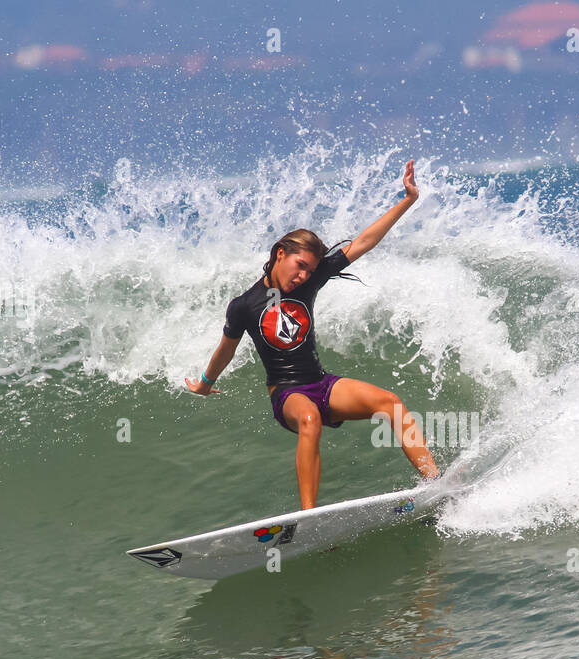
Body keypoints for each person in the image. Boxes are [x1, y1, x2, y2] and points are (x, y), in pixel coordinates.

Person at [185, 159, 439, 509]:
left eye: (310, 270)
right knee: (310, 419)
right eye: (300, 266)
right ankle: (310, 516)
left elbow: (364, 242)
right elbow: (225, 350)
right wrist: (203, 382)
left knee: (390, 403)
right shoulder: (245, 305)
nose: (304, 276)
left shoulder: (311, 281)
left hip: (322, 384)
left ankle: (435, 485)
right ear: (280, 254)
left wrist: (408, 200)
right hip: (287, 394)